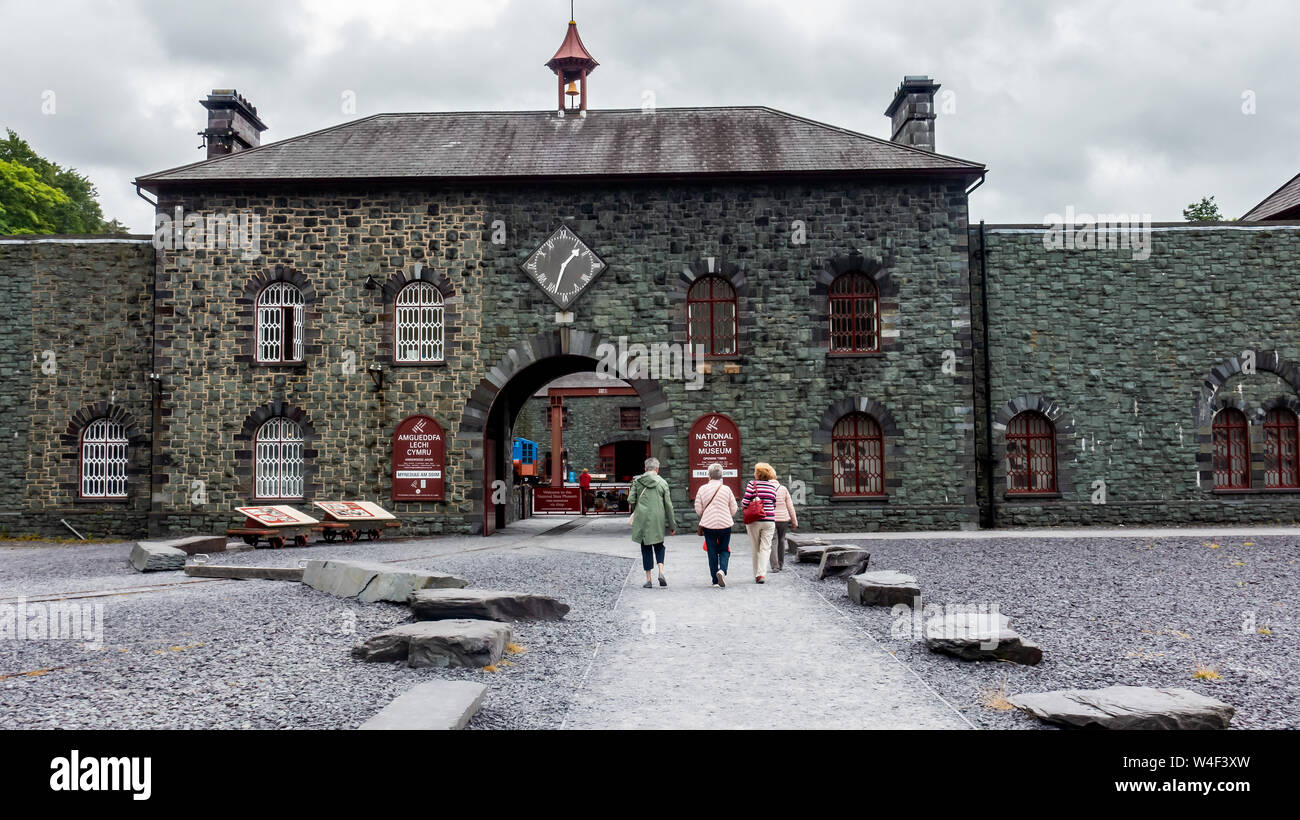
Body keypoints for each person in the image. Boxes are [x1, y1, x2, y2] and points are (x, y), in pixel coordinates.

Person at [629, 457, 675, 588]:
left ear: (645, 468)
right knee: (659, 545)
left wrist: (637, 510)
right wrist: (672, 525)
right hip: (658, 518)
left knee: (646, 548)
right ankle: (661, 571)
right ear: (657, 469)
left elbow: (631, 499)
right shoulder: (662, 483)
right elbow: (668, 505)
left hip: (642, 519)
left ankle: (648, 580)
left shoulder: (637, 481)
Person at [694, 463, 738, 588]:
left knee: (712, 551)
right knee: (724, 549)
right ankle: (722, 571)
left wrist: (706, 513)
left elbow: (698, 510)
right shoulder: (727, 489)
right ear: (721, 475)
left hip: (708, 525)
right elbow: (734, 509)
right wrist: (726, 514)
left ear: (709, 475)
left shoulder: (702, 489)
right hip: (725, 524)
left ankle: (714, 580)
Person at [740, 462, 779, 583]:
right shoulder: (772, 487)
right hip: (769, 521)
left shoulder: (752, 484)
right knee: (765, 548)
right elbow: (774, 504)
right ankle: (761, 574)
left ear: (757, 474)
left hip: (754, 521)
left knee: (755, 547)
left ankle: (757, 574)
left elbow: (745, 502)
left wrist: (745, 505)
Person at [771, 474, 798, 572]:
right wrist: (794, 521)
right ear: (776, 478)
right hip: (783, 519)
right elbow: (790, 506)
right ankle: (781, 564)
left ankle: (775, 566)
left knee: (773, 541)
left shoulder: (766, 488)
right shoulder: (783, 489)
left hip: (771, 518)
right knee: (782, 540)